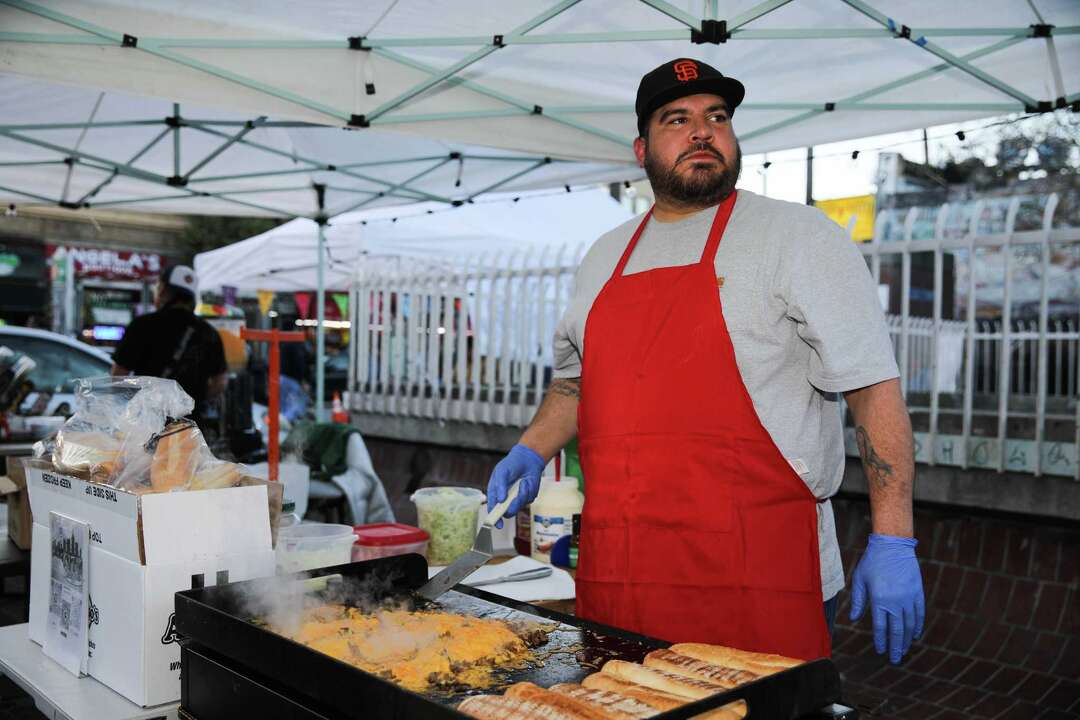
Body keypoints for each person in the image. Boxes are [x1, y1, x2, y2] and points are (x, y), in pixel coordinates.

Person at [487, 58, 924, 664]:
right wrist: (532, 447)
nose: (702, 131)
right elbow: (576, 383)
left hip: (758, 576)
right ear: (642, 149)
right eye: (678, 119)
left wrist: (893, 536)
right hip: (622, 575)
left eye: (717, 117)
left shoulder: (797, 237)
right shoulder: (604, 255)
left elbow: (872, 390)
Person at [111, 264, 227, 423]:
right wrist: (191, 402)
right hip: (189, 429)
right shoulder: (209, 333)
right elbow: (219, 383)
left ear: (163, 291)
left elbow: (118, 377)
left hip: (146, 425)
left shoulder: (142, 326)